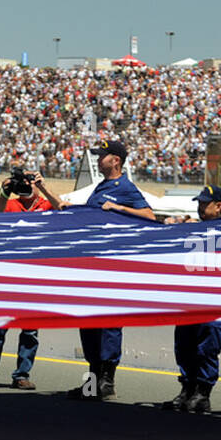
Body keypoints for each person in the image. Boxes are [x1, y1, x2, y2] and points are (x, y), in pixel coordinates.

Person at [39, 139, 154, 400]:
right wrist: (43, 189)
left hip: (113, 266)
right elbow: (72, 211)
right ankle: (92, 383)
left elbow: (150, 217)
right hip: (92, 266)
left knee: (110, 322)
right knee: (89, 322)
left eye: (103, 155)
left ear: (116, 160)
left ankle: (107, 381)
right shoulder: (100, 187)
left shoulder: (124, 187)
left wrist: (119, 208)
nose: (98, 158)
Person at [0, 167, 49, 390]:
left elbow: (63, 210)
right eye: (23, 183)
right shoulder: (11, 204)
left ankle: (22, 374)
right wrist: (5, 193)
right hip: (8, 274)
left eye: (30, 182)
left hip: (35, 274)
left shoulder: (45, 205)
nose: (26, 187)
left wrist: (44, 187)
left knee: (30, 330)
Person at [162, 185, 221, 413]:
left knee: (206, 348)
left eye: (204, 203)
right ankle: (187, 387)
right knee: (184, 345)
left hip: (214, 301)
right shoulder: (193, 229)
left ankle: (203, 393)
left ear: (218, 206)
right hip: (190, 300)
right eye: (199, 203)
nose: (200, 208)